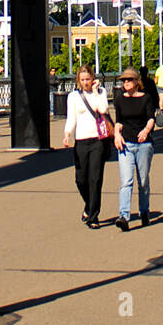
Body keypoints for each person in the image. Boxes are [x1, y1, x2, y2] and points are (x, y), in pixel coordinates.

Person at [62, 64, 111, 229]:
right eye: (82, 80)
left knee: (95, 179)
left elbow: (103, 109)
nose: (85, 82)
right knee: (81, 179)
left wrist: (96, 92)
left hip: (98, 140)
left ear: (93, 79)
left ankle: (93, 216)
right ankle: (89, 205)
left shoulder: (101, 92)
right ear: (78, 80)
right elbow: (71, 118)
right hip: (81, 140)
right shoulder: (73, 97)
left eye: (88, 79)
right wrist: (67, 133)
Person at [113, 68, 156, 231]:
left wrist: (146, 131)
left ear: (136, 82)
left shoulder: (146, 98)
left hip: (144, 144)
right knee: (126, 181)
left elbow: (151, 118)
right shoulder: (119, 99)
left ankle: (144, 211)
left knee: (143, 181)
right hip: (126, 143)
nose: (125, 83)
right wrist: (116, 134)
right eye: (123, 80)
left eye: (128, 80)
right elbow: (119, 121)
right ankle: (124, 216)